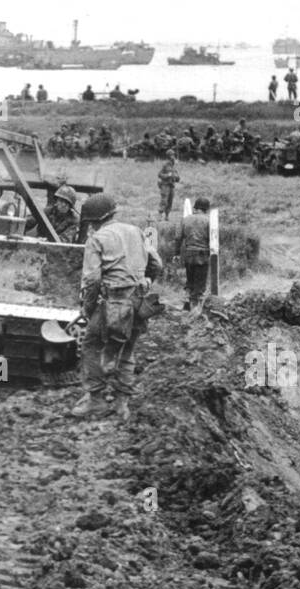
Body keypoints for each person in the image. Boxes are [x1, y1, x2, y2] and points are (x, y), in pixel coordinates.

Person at [71, 193, 162, 423]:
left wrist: (88, 308)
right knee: (128, 350)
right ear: (112, 213)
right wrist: (148, 280)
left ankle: (96, 399)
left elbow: (91, 280)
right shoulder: (136, 231)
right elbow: (156, 264)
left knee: (91, 345)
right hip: (138, 301)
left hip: (113, 301)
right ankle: (122, 404)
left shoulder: (96, 239)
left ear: (92, 221)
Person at [177, 197, 212, 310]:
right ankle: (196, 308)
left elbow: (178, 238)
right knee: (200, 282)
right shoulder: (208, 221)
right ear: (206, 209)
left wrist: (176, 253)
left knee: (190, 279)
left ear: (196, 208)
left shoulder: (185, 219)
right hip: (202, 254)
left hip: (188, 254)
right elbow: (213, 239)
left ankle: (187, 302)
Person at [158, 153, 180, 220]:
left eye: (173, 155)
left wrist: (176, 177)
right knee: (164, 200)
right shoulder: (165, 165)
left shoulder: (174, 167)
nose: (173, 157)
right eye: (171, 155)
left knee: (170, 201)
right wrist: (168, 175)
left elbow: (178, 178)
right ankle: (160, 215)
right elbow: (159, 174)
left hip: (171, 186)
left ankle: (167, 215)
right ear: (168, 156)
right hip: (165, 185)